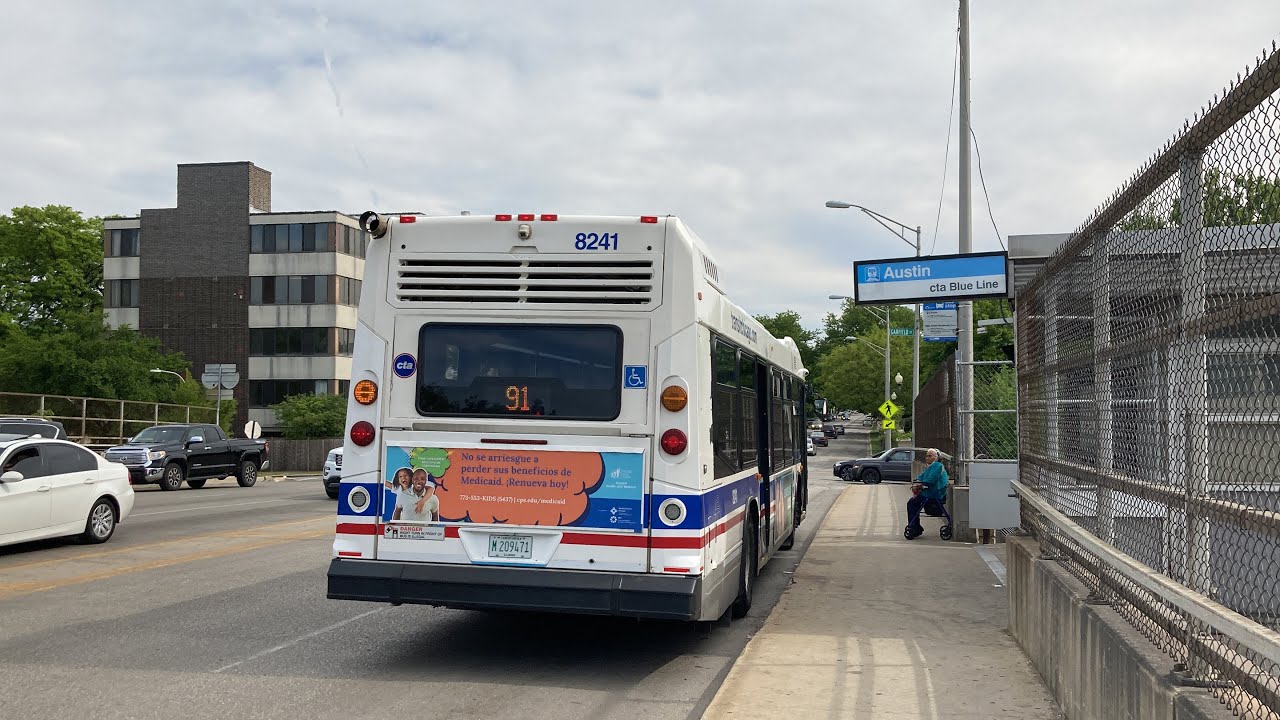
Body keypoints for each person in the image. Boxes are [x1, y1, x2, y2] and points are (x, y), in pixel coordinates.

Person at [906, 448, 948, 536]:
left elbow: (930, 480)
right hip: (931, 492)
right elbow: (921, 476)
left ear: (936, 457)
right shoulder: (932, 466)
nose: (927, 458)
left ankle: (915, 527)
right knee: (913, 503)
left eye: (930, 456)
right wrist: (918, 481)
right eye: (926, 456)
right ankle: (916, 527)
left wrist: (919, 484)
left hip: (934, 494)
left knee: (911, 503)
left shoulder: (937, 466)